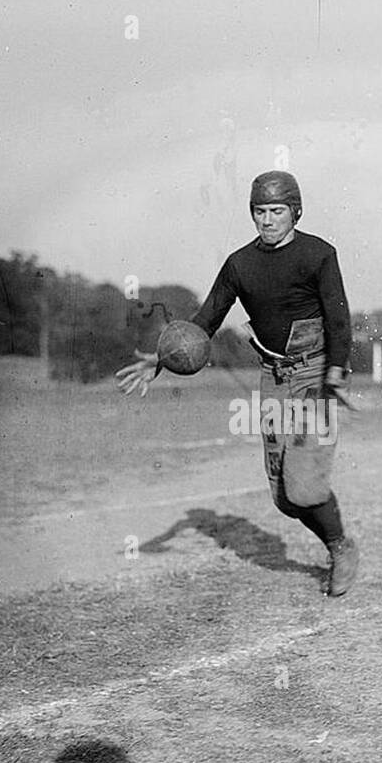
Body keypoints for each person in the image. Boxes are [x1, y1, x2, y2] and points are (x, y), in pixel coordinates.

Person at [115, 170, 360, 596]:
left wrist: (335, 372)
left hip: (313, 376)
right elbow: (205, 319)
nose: (267, 220)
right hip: (273, 378)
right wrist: (162, 359)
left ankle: (341, 547)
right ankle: (331, 537)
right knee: (284, 499)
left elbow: (338, 319)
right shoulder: (239, 264)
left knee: (304, 490)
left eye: (276, 211)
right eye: (260, 211)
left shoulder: (319, 254)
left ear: (295, 212)